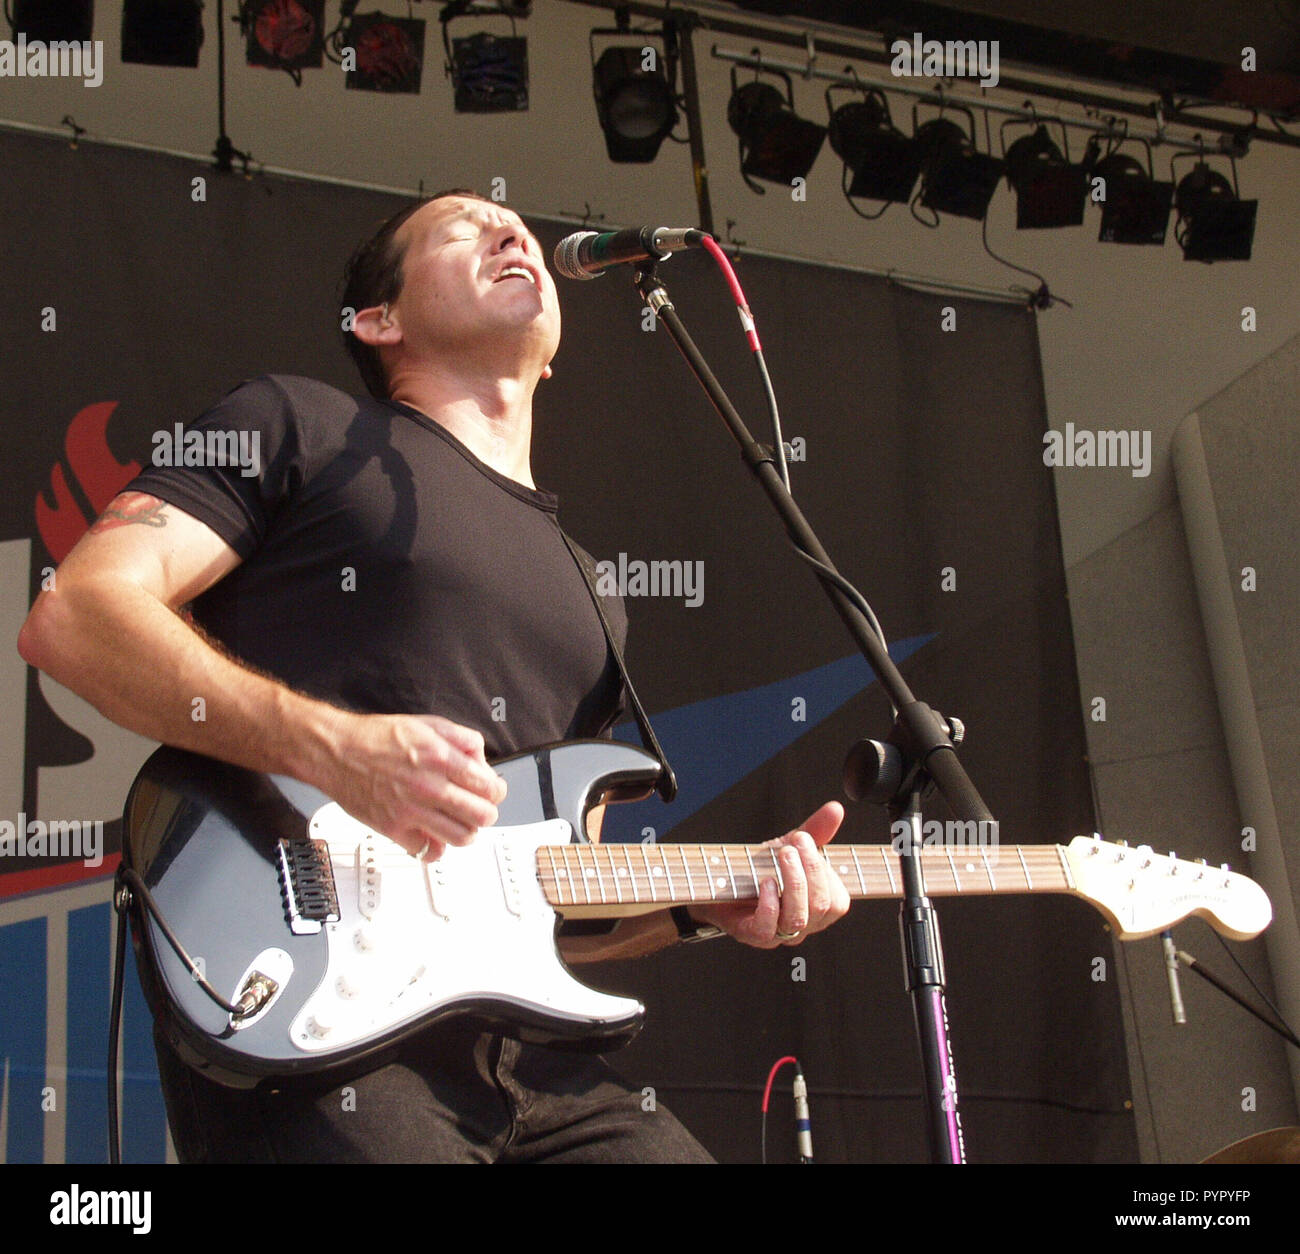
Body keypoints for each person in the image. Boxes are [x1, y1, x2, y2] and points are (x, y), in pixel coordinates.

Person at [17, 190, 850, 1163]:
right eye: (461, 227)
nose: (511, 233)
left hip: (541, 1069)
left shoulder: (592, 591)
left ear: (553, 349)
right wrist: (334, 746)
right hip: (312, 1019)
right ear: (380, 319)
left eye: (519, 231)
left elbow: (547, 907)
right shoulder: (295, 422)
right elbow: (78, 616)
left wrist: (694, 909)